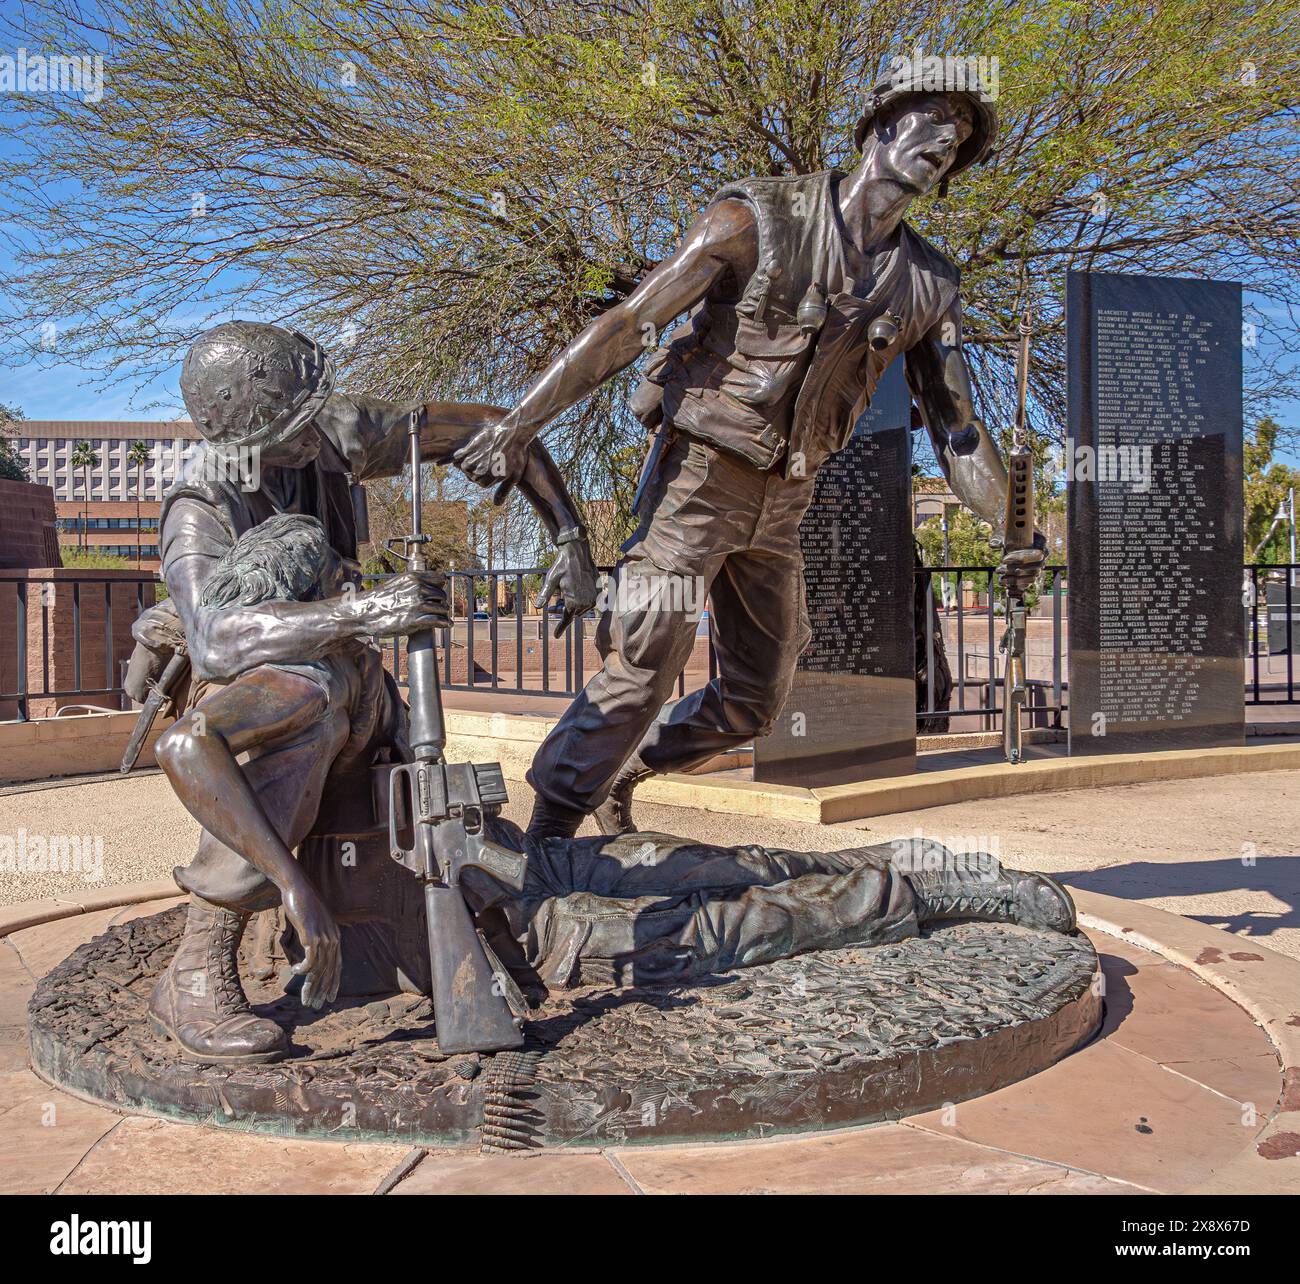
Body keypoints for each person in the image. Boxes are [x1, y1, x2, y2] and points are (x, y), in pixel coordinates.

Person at [453, 66, 1046, 840]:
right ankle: (549, 835)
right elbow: (631, 324)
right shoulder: (753, 218)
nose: (945, 141)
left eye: (960, 137)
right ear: (880, 127)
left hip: (784, 502)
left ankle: (623, 766)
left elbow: (957, 429)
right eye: (933, 118)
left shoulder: (930, 283)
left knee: (757, 699)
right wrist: (520, 422)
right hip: (697, 481)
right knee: (648, 652)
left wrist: (1014, 526)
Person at [141, 320, 598, 1064]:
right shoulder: (200, 504)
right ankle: (200, 962)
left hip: (353, 674)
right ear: (242, 442)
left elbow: (489, 430)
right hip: (270, 688)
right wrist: (364, 611)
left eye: (311, 413)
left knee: (402, 759)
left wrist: (570, 539)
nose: (310, 439)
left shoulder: (338, 427)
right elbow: (216, 639)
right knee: (305, 711)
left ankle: (431, 916)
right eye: (292, 430)